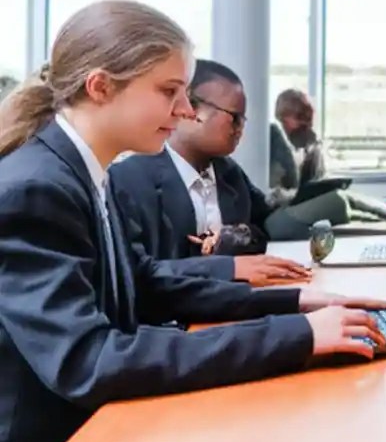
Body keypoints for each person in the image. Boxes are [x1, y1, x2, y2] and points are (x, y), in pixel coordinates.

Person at [0, 0, 386, 442]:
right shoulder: (35, 189)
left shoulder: (83, 173)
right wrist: (296, 337)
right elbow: (88, 360)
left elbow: (142, 282)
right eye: (170, 92)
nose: (187, 110)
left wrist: (296, 303)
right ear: (101, 87)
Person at [109, 59, 311, 285]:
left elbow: (263, 228)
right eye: (234, 117)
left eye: (242, 120)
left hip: (235, 303)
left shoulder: (229, 173)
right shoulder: (129, 180)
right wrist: (226, 267)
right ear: (189, 108)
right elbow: (139, 274)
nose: (239, 129)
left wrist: (236, 239)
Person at [263, 88, 386, 240]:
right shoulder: (274, 140)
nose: (306, 124)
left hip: (299, 204)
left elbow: (312, 184)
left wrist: (314, 152)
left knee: (343, 198)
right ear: (282, 116)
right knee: (340, 200)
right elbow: (280, 191)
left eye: (309, 118)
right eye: (300, 117)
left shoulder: (305, 143)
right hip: (282, 210)